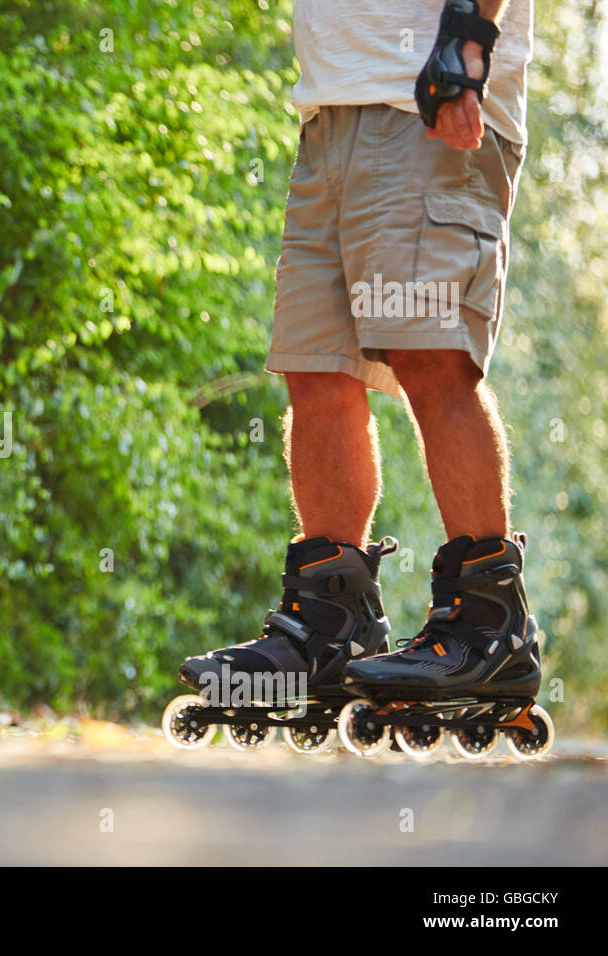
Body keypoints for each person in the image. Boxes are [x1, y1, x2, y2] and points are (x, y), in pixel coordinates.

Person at [164, 0, 552, 758]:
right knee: (316, 372)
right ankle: (328, 629)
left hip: (429, 107)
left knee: (431, 357)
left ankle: (488, 625)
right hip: (328, 117)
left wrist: (465, 45)